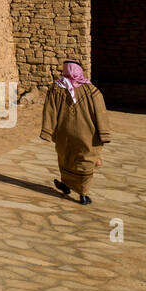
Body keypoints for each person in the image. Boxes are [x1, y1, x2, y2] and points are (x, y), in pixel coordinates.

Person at [39, 59, 110, 205]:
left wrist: (47, 130)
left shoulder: (57, 88)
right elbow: (101, 112)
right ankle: (83, 194)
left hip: (65, 133)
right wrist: (103, 133)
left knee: (67, 158)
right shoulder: (92, 91)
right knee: (85, 161)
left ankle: (67, 185)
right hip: (87, 134)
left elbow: (50, 110)